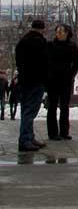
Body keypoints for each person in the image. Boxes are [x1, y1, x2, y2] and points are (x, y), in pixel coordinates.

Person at [14, 19, 49, 152]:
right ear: (42, 29)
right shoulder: (40, 42)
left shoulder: (23, 41)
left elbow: (19, 61)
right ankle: (25, 140)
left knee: (25, 110)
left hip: (25, 80)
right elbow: (45, 62)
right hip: (36, 81)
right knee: (30, 112)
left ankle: (29, 137)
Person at [46, 24, 78, 141]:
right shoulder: (50, 45)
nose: (59, 34)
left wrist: (71, 74)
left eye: (61, 32)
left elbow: (77, 63)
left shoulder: (72, 46)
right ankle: (52, 132)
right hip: (52, 79)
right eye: (57, 32)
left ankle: (64, 131)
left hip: (66, 79)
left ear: (67, 33)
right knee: (52, 106)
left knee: (65, 106)